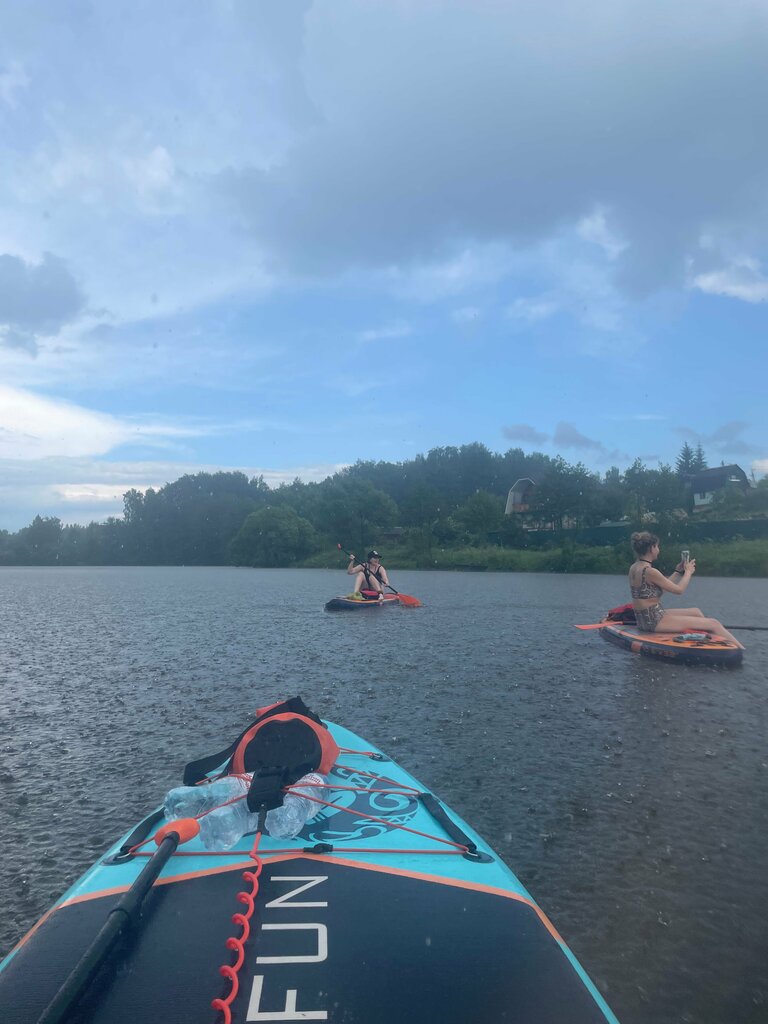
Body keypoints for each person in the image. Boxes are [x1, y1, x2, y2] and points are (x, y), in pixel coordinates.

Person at [628, 532, 744, 649]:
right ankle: (741, 650)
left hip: (644, 619)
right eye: (657, 546)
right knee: (714, 624)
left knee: (696, 612)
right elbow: (679, 590)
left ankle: (706, 642)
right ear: (651, 548)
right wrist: (688, 572)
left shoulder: (634, 568)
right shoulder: (650, 571)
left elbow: (659, 590)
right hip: (654, 621)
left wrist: (678, 572)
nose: (658, 549)